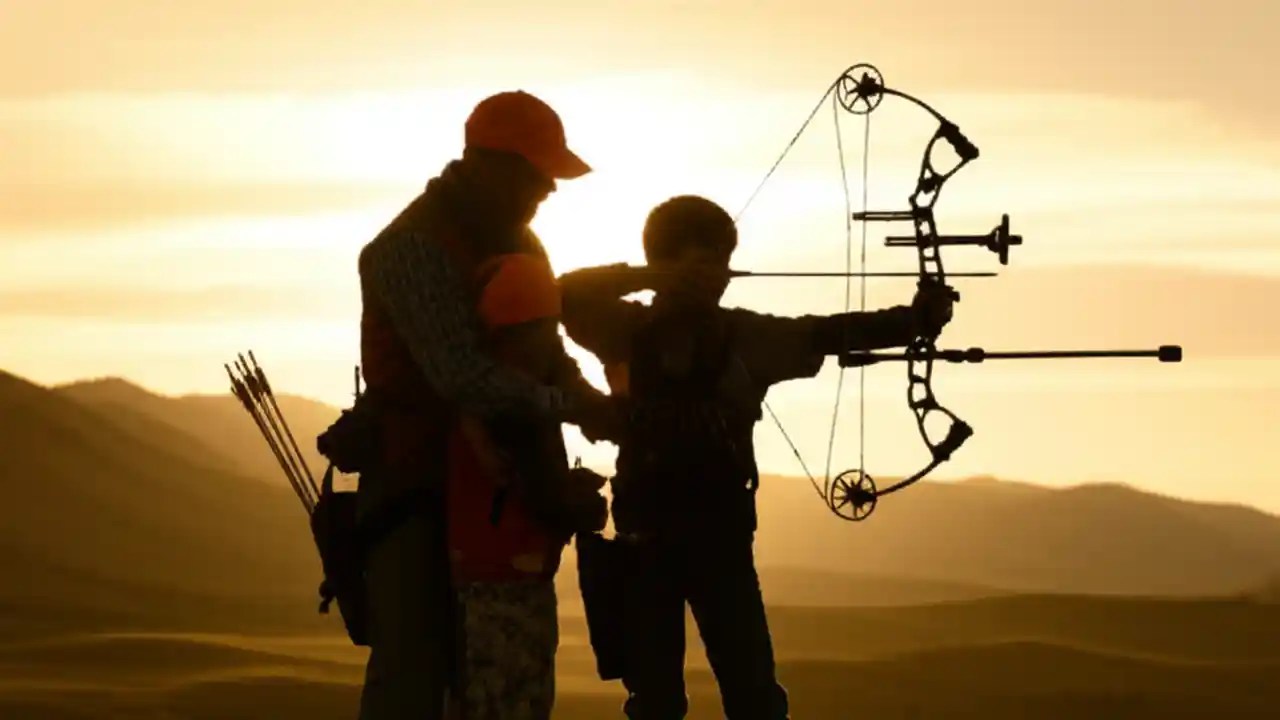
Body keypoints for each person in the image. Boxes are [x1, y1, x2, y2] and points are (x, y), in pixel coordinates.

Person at [558, 194, 954, 720]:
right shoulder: (623, 328)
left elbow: (830, 332)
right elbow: (560, 296)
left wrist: (917, 319)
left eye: (719, 263)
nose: (713, 276)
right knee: (659, 702)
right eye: (698, 263)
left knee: (753, 699)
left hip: (716, 541)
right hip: (645, 542)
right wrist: (651, 276)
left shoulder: (745, 335)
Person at [352, 90, 619, 720]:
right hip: (414, 488)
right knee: (413, 677)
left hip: (496, 492)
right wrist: (572, 406)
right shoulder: (407, 247)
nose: (548, 191)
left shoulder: (522, 241)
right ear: (490, 165)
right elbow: (461, 377)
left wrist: (587, 400)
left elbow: (544, 346)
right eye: (538, 175)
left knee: (497, 681)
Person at [445, 252, 609, 720]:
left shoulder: (480, 394)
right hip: (507, 583)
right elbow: (535, 494)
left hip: (490, 576)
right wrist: (580, 503)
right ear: (518, 331)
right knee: (512, 703)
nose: (550, 342)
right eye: (543, 328)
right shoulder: (509, 401)